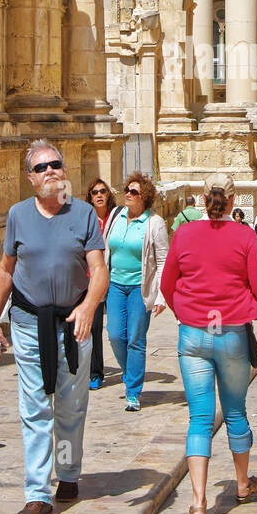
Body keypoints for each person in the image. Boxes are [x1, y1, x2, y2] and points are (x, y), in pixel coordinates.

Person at [0, 141, 108, 514]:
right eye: (41, 168)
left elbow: (99, 269)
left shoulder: (84, 213)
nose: (50, 171)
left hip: (74, 323)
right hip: (28, 322)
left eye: (56, 164)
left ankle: (68, 474)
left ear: (65, 170)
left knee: (71, 406)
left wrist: (88, 306)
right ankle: (37, 494)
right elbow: (6, 270)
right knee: (36, 408)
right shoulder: (19, 215)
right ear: (31, 178)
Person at [160, 171, 257, 514]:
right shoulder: (245, 235)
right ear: (233, 199)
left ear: (202, 199)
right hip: (231, 333)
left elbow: (167, 283)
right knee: (235, 412)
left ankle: (198, 501)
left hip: (192, 335)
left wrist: (185, 313)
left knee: (199, 419)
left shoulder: (185, 233)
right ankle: (241, 485)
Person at [103, 172, 169, 412]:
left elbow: (163, 262)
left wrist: (161, 296)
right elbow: (105, 250)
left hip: (140, 289)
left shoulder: (155, 223)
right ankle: (129, 371)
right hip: (115, 286)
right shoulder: (115, 215)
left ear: (145, 198)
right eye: (126, 190)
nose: (127, 195)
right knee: (115, 336)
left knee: (136, 340)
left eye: (134, 192)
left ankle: (133, 392)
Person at [84, 178, 117, 390]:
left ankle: (129, 369)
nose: (99, 195)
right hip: (91, 281)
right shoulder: (85, 219)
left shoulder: (118, 218)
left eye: (103, 191)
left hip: (114, 279)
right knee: (93, 327)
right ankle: (95, 372)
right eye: (95, 191)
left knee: (117, 330)